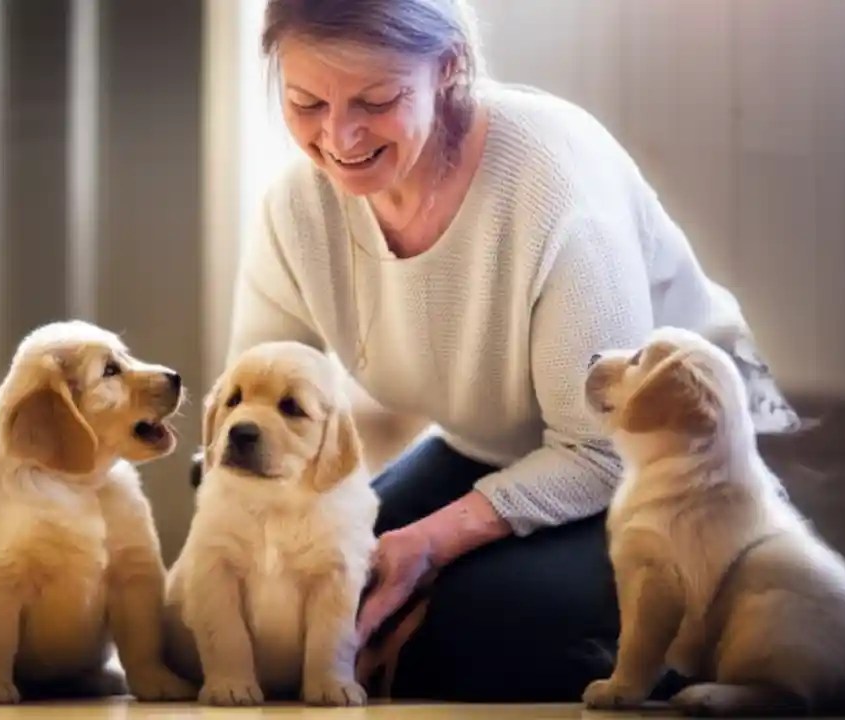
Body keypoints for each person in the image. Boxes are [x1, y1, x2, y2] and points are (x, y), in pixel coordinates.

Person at [220, 0, 802, 702]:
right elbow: (250, 406)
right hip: (494, 447)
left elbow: (601, 449)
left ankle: (740, 659)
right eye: (306, 102)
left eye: (376, 101)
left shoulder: (553, 184)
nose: (338, 136)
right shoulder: (296, 208)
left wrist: (433, 543)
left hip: (674, 468)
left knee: (475, 621)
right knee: (324, 576)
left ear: (448, 68)